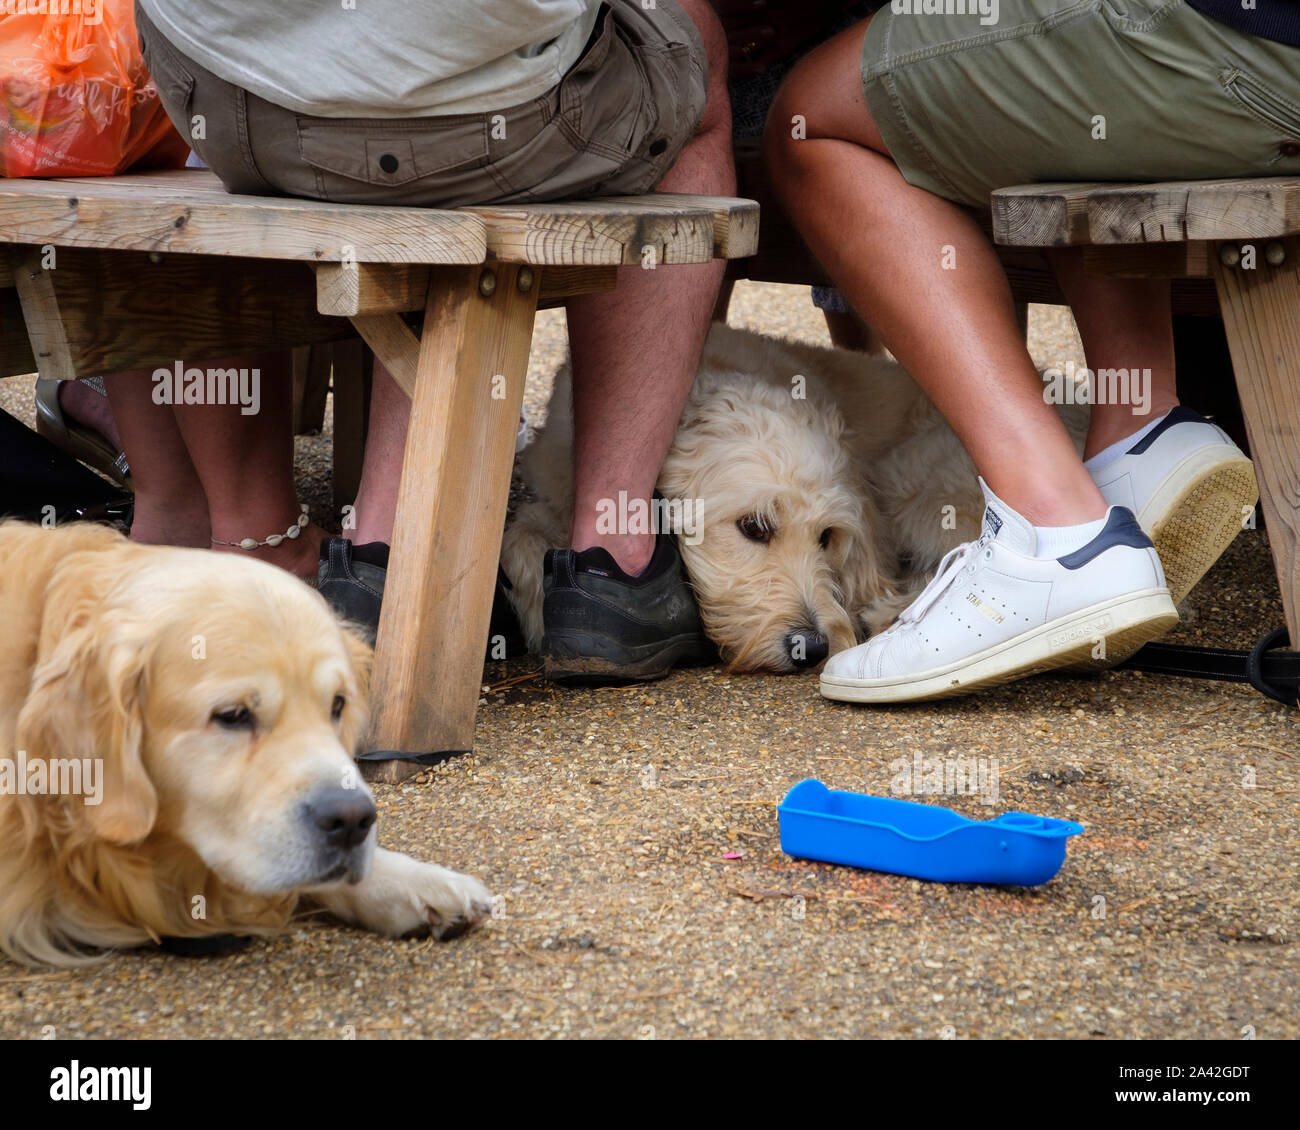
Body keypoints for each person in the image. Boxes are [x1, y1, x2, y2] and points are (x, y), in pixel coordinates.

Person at [119, 0, 735, 682]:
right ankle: (608, 558)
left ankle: (261, 536)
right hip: (476, 123)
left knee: (324, 74)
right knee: (688, 47)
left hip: (221, 106)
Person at [764, 0, 1295, 703]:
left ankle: (1050, 530)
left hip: (1253, 56)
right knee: (1023, 85)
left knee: (811, 117)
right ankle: (1137, 429)